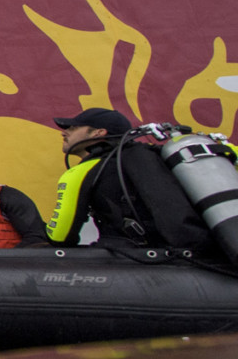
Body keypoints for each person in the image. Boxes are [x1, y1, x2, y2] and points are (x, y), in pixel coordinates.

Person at [48, 108, 218, 256]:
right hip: (188, 255)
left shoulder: (81, 172)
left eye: (73, 127)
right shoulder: (160, 159)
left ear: (98, 133)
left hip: (129, 261)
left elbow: (60, 236)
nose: (64, 132)